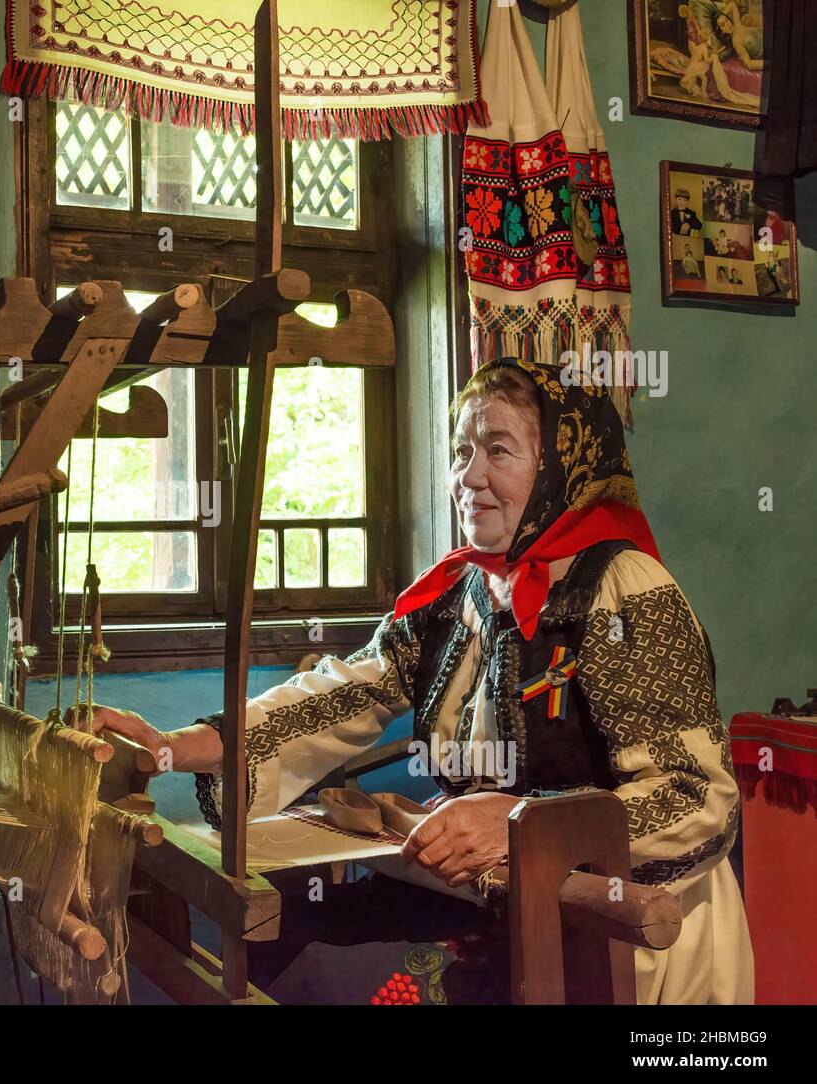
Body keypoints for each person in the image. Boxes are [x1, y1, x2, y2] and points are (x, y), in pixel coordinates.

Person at [72, 358, 752, 1005]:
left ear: (563, 467)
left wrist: (523, 823)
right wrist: (184, 743)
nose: (470, 477)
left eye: (499, 451)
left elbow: (698, 796)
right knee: (293, 948)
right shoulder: (459, 594)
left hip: (623, 928)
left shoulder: (625, 590)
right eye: (462, 452)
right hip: (490, 896)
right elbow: (347, 692)